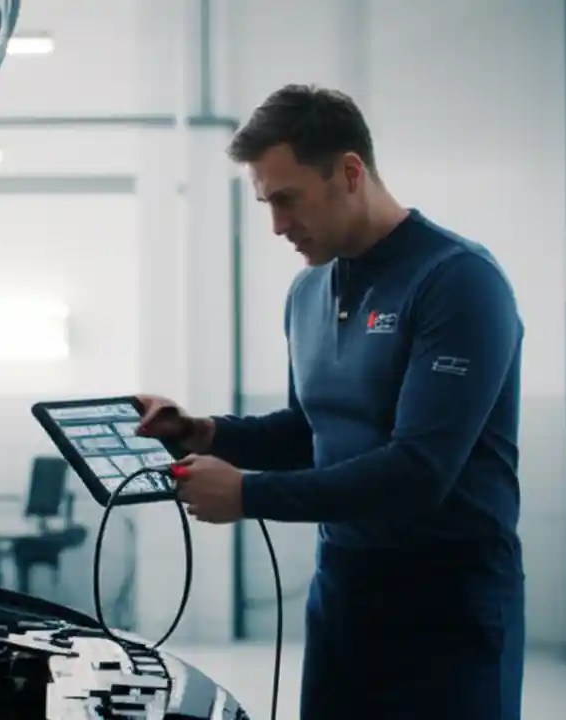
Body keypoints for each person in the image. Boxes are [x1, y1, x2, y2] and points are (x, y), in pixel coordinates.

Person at [136, 84, 526, 719]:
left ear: (349, 173)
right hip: (344, 596)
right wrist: (204, 432)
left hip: (449, 607)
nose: (278, 226)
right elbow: (305, 433)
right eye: (267, 204)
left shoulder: (458, 281)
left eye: (287, 201)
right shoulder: (307, 292)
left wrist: (248, 495)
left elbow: (420, 471)